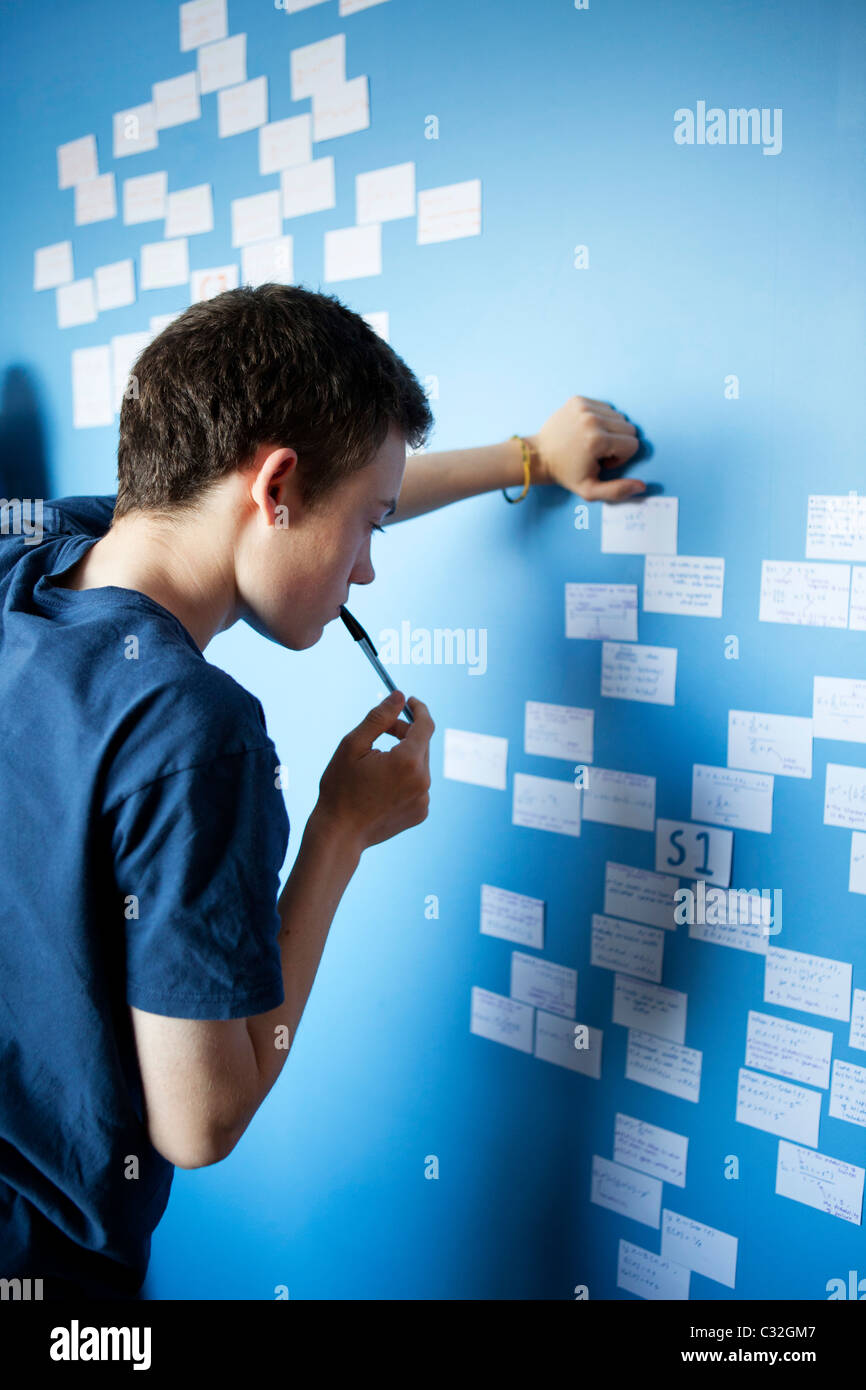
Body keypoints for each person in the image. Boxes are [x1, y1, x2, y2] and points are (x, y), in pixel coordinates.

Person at [0, 283, 643, 1300]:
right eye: (370, 528)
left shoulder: (37, 559)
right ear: (275, 487)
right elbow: (200, 1122)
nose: (369, 569)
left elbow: (312, 496)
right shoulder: (194, 731)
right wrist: (339, 833)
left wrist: (525, 458)